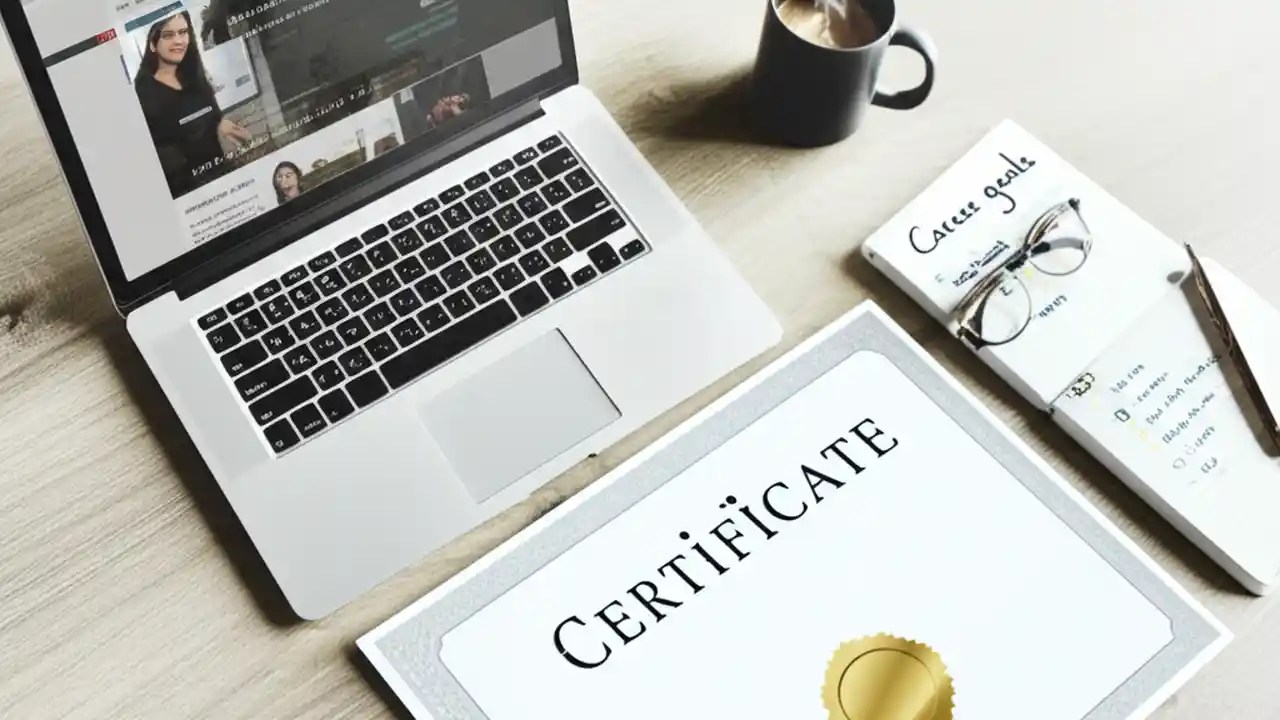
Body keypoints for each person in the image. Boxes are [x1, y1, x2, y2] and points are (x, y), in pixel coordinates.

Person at [133, 11, 251, 196]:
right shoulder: (142, 94)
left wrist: (221, 128)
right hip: (188, 193)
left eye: (183, 32)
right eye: (168, 35)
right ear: (153, 44)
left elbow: (213, 120)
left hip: (223, 179)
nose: (179, 41)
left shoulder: (196, 77)